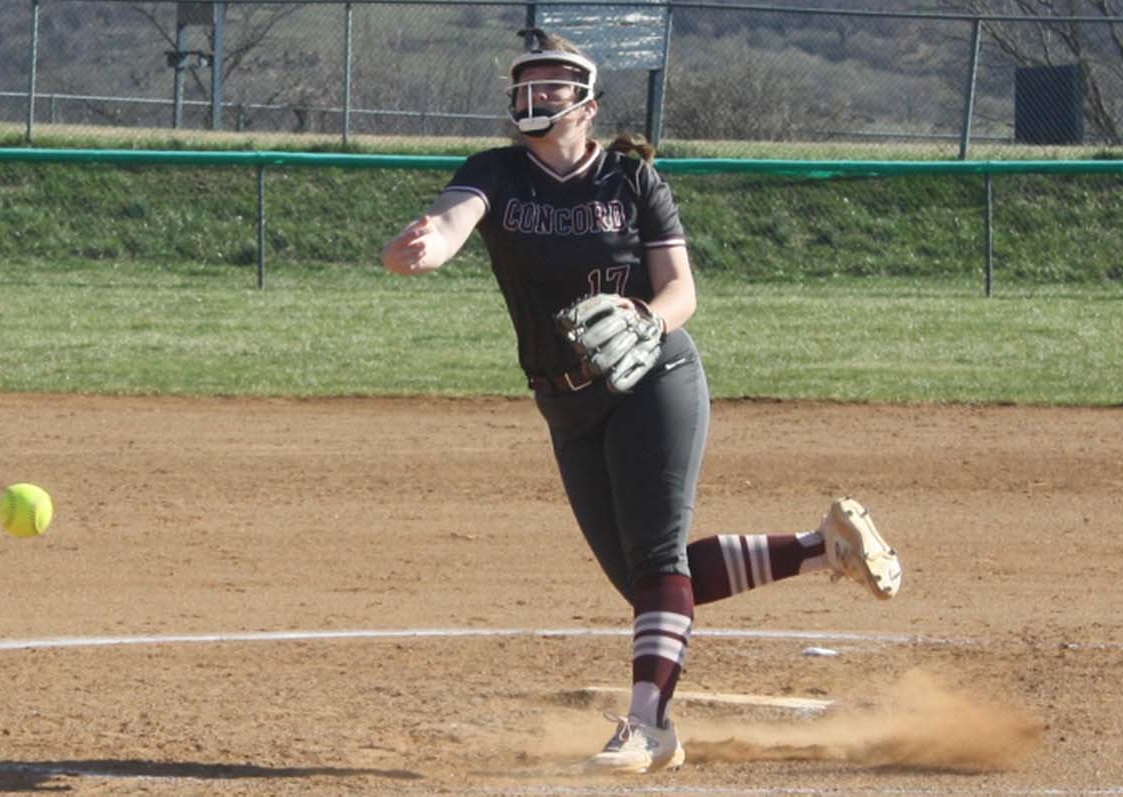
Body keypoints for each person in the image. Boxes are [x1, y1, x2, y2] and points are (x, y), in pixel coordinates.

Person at [380, 29, 902, 775]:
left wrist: (650, 319)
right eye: (526, 83)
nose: (536, 95)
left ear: (588, 103)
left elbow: (682, 290)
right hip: (563, 401)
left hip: (653, 375)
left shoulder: (630, 181)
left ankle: (649, 723)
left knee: (657, 560)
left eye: (553, 83)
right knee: (649, 582)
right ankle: (823, 549)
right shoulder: (495, 172)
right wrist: (424, 248)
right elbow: (457, 217)